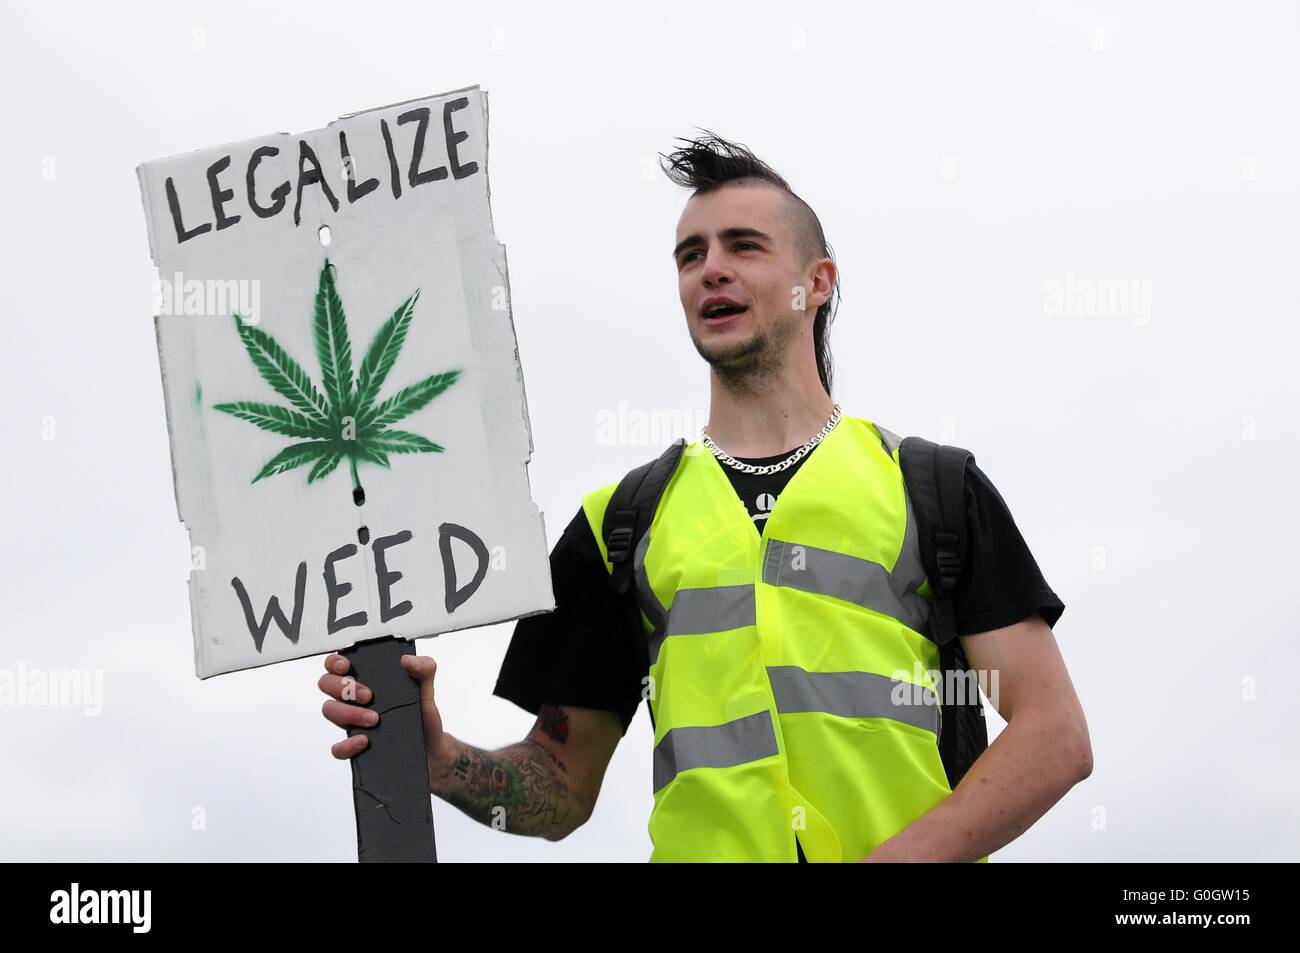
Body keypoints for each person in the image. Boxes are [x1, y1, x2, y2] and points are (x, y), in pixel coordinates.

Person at [319, 132, 1092, 862]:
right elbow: (561, 786)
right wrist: (443, 760)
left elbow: (1054, 734)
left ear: (816, 281)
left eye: (742, 246)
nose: (710, 269)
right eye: (691, 256)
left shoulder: (933, 488)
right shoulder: (618, 525)